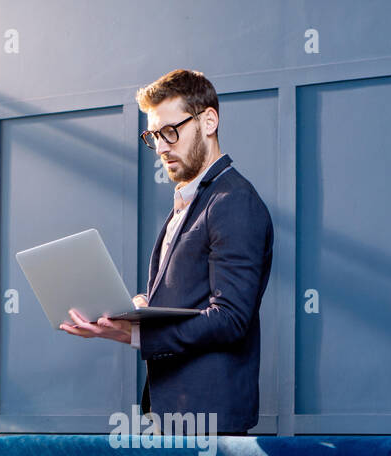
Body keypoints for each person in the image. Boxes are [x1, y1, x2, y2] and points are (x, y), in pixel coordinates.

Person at [59, 68, 273, 436]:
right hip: (173, 416)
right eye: (154, 136)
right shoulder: (193, 200)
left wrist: (134, 334)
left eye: (170, 131)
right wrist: (145, 309)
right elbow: (192, 297)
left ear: (208, 121)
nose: (160, 148)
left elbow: (230, 318)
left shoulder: (233, 201)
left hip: (209, 424)